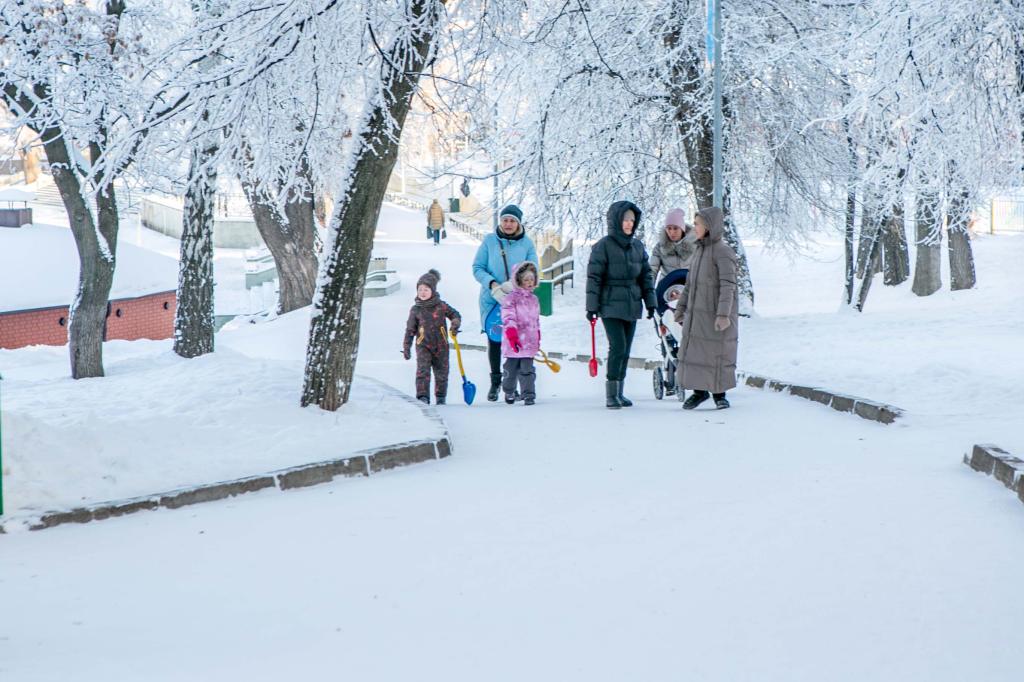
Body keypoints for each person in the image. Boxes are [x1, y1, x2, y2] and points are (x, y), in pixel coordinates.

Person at [585, 200, 656, 409]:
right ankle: (610, 393)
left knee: (626, 349)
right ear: (616, 221)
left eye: (632, 220)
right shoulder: (603, 246)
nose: (629, 224)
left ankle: (619, 391)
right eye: (625, 220)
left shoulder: (637, 246)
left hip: (632, 303)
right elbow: (594, 278)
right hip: (610, 303)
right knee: (618, 346)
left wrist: (650, 303)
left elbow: (645, 276)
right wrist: (592, 307)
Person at [472, 204, 538, 402]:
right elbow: (477, 267)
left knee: (516, 340)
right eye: (505, 220)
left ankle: (513, 385)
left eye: (512, 221)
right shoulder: (490, 241)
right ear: (500, 221)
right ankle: (495, 382)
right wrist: (492, 284)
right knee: (495, 340)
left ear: (518, 223)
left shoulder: (526, 244)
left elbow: (533, 269)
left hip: (518, 300)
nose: (508, 224)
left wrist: (514, 284)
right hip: (492, 299)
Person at [674, 207, 738, 410]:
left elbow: (728, 286)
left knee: (717, 353)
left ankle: (720, 395)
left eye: (698, 224)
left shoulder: (723, 252)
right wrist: (681, 308)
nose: (695, 227)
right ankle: (699, 392)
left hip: (715, 316)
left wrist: (723, 314)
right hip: (696, 315)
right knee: (695, 354)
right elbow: (689, 284)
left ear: (709, 227)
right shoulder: (698, 252)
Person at [402, 269, 461, 405]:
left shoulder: (441, 306)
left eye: (426, 289)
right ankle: (423, 396)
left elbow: (455, 315)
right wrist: (407, 347)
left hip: (441, 345)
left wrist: (455, 324)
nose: (422, 292)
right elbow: (410, 329)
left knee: (442, 373)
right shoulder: (416, 309)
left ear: (433, 290)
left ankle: (441, 397)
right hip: (423, 345)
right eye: (420, 289)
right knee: (423, 371)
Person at [500, 262, 541, 406]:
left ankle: (528, 394)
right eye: (526, 280)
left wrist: (537, 335)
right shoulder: (511, 299)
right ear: (518, 281)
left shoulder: (534, 299)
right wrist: (512, 334)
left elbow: (536, 320)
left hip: (529, 341)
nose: (530, 282)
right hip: (514, 341)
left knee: (527, 369)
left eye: (532, 279)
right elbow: (508, 317)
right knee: (511, 369)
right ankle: (509, 390)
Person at [649, 208, 695, 282]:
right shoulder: (660, 247)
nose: (672, 232)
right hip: (667, 287)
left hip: (689, 287)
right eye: (669, 228)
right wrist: (648, 289)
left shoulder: (695, 245)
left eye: (675, 228)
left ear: (682, 229)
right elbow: (652, 270)